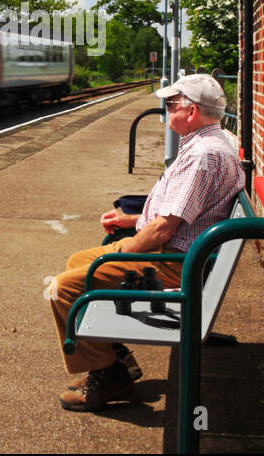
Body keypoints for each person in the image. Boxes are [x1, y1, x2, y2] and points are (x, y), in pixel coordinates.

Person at [50, 73, 243, 412]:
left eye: (172, 104)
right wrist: (131, 221)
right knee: (78, 261)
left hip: (174, 265)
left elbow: (164, 230)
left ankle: (109, 374)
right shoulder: (211, 142)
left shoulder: (203, 156)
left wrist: (120, 253)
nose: (166, 109)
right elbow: (172, 215)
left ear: (193, 111)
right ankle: (117, 358)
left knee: (63, 289)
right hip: (180, 254)